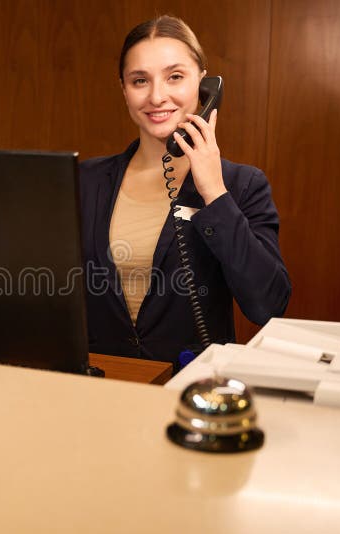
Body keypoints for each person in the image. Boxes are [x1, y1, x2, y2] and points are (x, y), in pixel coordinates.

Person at [79, 15, 291, 368]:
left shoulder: (243, 185)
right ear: (124, 90)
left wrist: (216, 195)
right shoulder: (84, 180)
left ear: (205, 84)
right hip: (102, 389)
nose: (157, 96)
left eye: (174, 76)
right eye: (139, 80)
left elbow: (267, 304)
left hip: (192, 389)